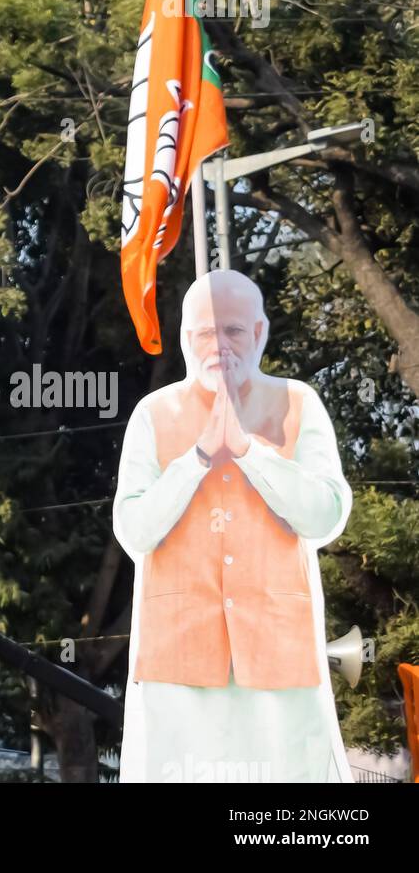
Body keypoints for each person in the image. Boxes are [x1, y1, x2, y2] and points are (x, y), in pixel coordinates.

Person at [113, 269, 352, 783]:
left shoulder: (298, 403)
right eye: (204, 332)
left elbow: (326, 513)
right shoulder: (153, 414)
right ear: (184, 339)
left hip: (277, 660)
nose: (218, 344)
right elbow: (133, 528)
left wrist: (249, 451)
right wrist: (197, 456)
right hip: (178, 664)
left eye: (234, 331)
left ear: (260, 333)